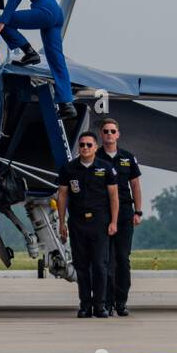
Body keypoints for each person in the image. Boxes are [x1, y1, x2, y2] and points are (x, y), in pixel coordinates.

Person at [56, 131, 119, 317]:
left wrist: (114, 221)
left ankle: (100, 305)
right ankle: (85, 305)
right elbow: (62, 195)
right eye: (82, 144)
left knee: (100, 265)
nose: (85, 148)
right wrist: (61, 223)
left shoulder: (106, 168)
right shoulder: (68, 169)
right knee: (81, 266)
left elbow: (114, 197)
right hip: (77, 222)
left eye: (89, 145)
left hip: (100, 223)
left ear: (96, 148)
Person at [97, 117, 142, 317]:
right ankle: (105, 302)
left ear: (118, 134)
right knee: (104, 260)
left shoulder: (128, 158)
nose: (109, 134)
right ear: (101, 134)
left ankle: (121, 301)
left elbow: (135, 186)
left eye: (112, 131)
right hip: (102, 213)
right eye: (105, 131)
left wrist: (138, 211)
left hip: (124, 212)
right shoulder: (94, 157)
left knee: (123, 258)